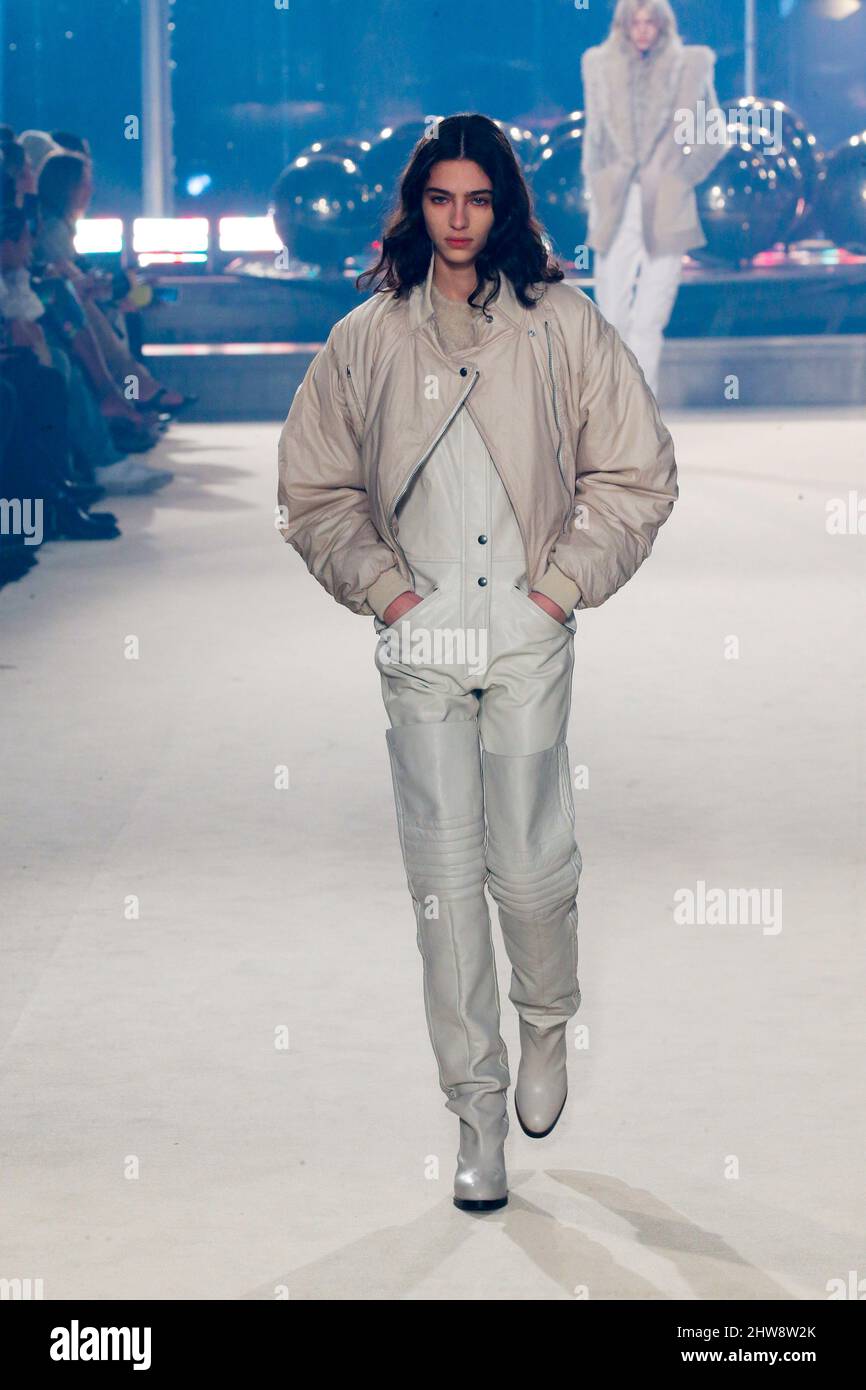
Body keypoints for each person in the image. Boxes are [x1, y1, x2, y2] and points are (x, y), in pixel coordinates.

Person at [277, 113, 678, 1212]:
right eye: (441, 199)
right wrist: (389, 594)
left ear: (503, 208)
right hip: (421, 634)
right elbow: (312, 489)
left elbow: (636, 471)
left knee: (533, 865)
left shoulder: (560, 326)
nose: (459, 220)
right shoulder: (365, 335)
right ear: (418, 207)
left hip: (524, 625)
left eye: (479, 199)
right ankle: (474, 1112)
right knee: (443, 890)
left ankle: (545, 1021)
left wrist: (558, 590)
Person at [581, 0, 728, 396]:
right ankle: (617, 410)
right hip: (615, 203)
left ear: (663, 25)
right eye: (635, 21)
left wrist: (680, 177)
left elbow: (714, 136)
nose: (643, 29)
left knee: (651, 314)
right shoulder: (598, 64)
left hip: (666, 204)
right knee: (611, 314)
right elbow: (595, 137)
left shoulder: (691, 65)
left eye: (650, 22)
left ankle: (643, 412)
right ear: (624, 25)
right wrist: (596, 190)